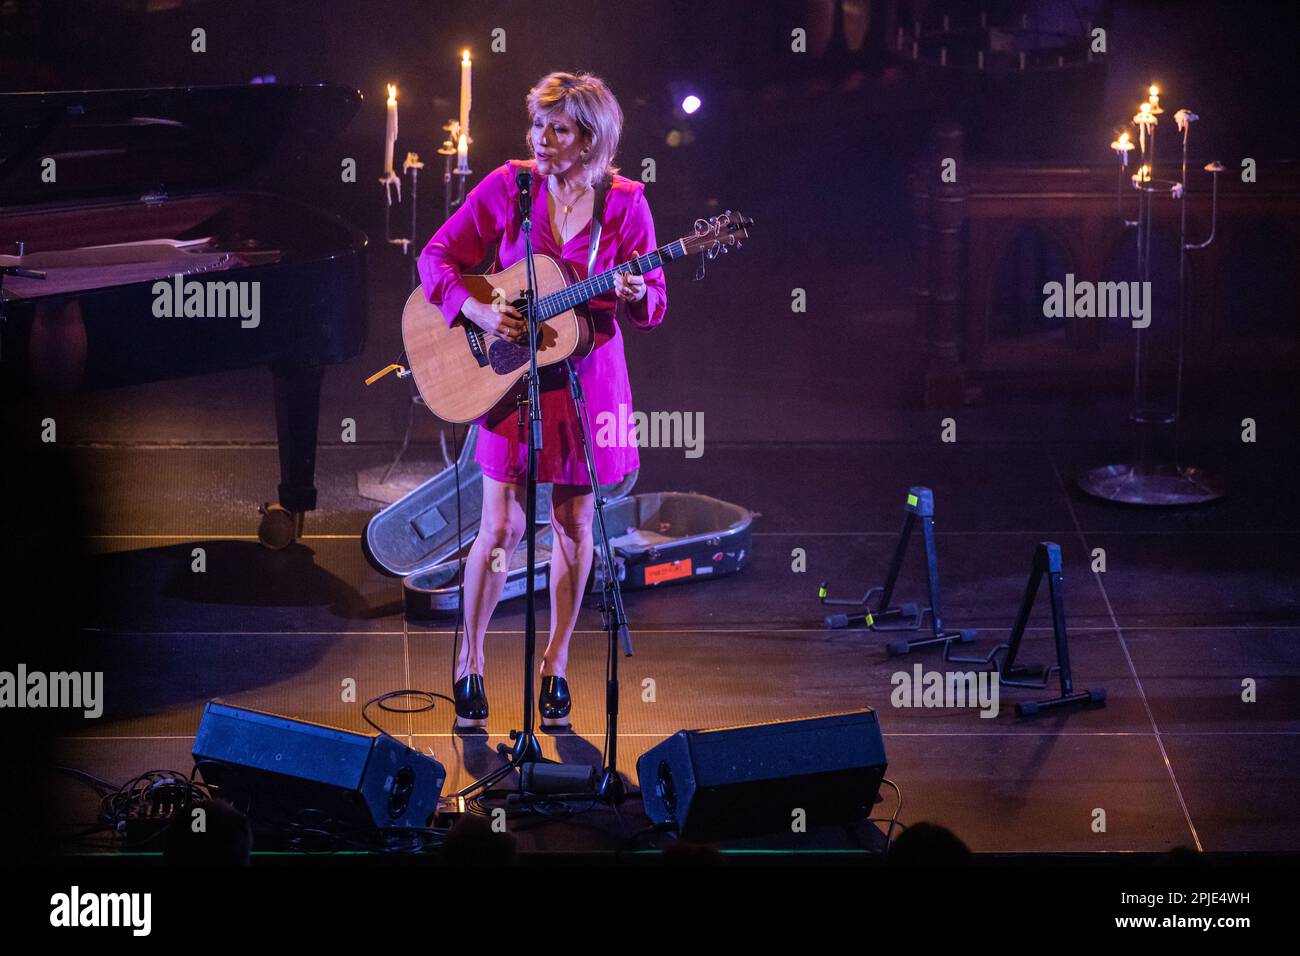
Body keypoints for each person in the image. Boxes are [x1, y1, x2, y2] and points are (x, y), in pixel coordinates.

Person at [417, 71, 667, 729]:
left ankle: (554, 665)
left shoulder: (628, 204)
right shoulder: (510, 186)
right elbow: (436, 258)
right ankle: (469, 660)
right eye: (538, 126)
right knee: (498, 526)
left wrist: (642, 293)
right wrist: (473, 307)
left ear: (592, 139)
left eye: (556, 129)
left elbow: (657, 300)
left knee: (575, 524)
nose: (541, 139)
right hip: (511, 378)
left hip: (589, 384)